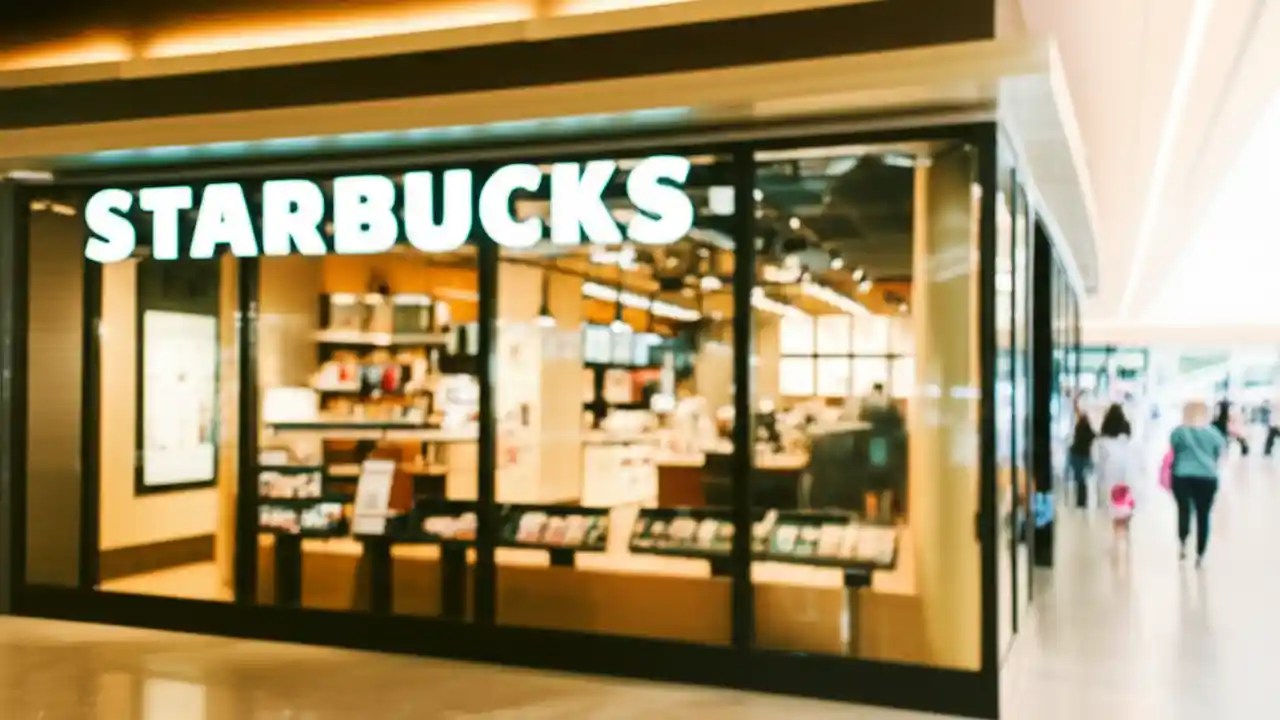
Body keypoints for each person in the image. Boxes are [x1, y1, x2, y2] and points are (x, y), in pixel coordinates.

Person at [1170, 400, 1228, 567]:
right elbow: (1219, 453)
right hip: (1207, 477)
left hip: (1182, 475)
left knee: (1183, 511)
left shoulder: (1178, 432)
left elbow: (1174, 450)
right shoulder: (1214, 434)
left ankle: (1183, 543)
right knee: (1203, 515)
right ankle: (1200, 554)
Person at [1096, 404, 1134, 528]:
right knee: (1123, 492)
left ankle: (1115, 518)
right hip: (1123, 466)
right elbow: (1129, 442)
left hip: (1109, 466)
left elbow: (1101, 452)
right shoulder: (1126, 425)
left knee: (1111, 495)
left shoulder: (1106, 426)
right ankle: (1124, 517)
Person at [1068, 410, 1096, 508]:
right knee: (1083, 479)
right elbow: (1094, 437)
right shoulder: (1089, 431)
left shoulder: (1078, 428)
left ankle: (1079, 501)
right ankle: (1083, 500)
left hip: (1076, 455)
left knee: (1078, 478)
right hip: (1085, 456)